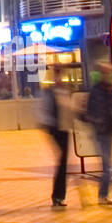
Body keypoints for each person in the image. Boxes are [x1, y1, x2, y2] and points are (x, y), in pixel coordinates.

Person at [82, 62, 112, 206]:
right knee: (106, 166)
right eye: (105, 72)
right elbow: (89, 112)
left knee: (107, 165)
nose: (107, 75)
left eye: (108, 72)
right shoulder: (96, 91)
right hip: (100, 131)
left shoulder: (111, 90)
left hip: (109, 130)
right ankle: (103, 195)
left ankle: (103, 195)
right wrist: (96, 122)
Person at [38, 75, 74, 205]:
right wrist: (47, 124)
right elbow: (44, 111)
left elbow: (70, 111)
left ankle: (59, 196)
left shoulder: (64, 93)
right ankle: (57, 196)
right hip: (56, 129)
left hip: (64, 130)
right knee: (62, 162)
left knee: (63, 163)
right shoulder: (50, 94)